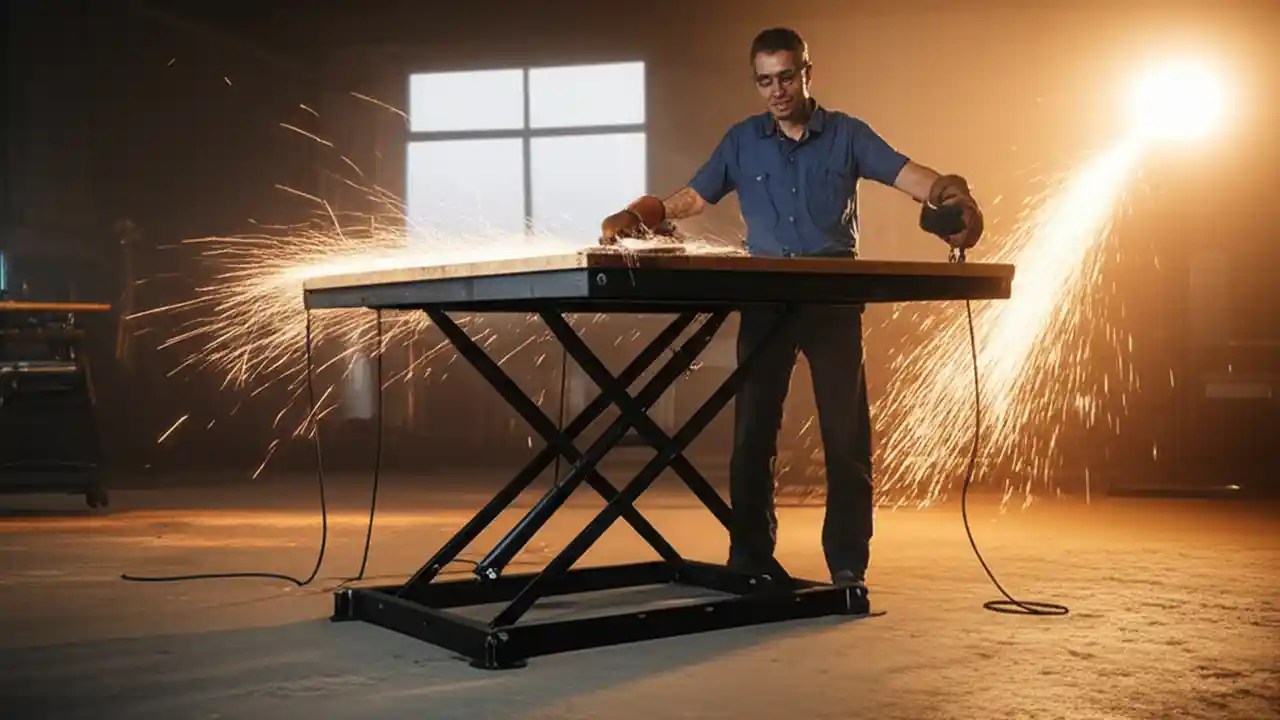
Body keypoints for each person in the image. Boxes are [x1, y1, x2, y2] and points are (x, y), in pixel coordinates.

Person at [600, 28, 983, 592]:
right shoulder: (741, 141)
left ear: (807, 73)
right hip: (766, 298)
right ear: (756, 82)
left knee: (845, 438)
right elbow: (694, 198)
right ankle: (750, 558)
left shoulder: (848, 134)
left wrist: (950, 194)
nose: (776, 91)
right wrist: (644, 212)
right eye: (764, 81)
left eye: (786, 77)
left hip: (831, 299)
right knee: (753, 435)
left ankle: (848, 564)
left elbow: (908, 175)